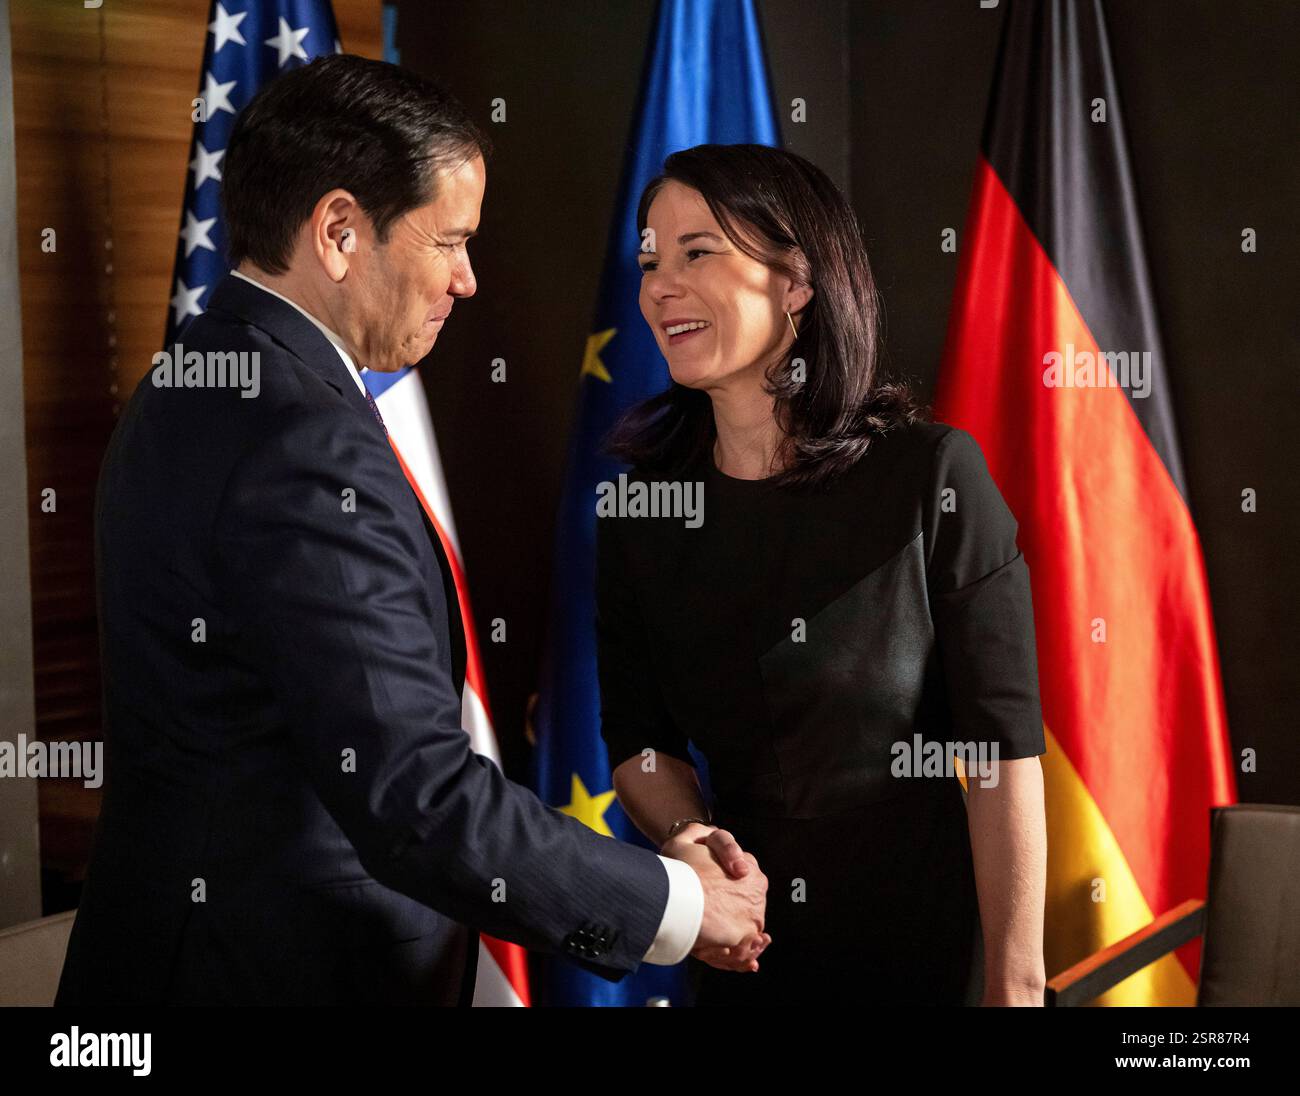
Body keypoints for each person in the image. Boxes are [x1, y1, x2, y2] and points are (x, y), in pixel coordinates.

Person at [55, 56, 768, 1007]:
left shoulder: (196, 379)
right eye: (451, 241)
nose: (469, 280)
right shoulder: (301, 438)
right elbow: (417, 797)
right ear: (341, 231)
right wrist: (679, 906)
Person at [598, 144, 1048, 1006]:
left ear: (797, 282)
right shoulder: (639, 512)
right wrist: (692, 840)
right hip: (745, 947)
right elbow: (640, 744)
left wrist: (1017, 985)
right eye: (651, 258)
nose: (660, 285)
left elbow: (999, 754)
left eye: (699, 252)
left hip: (927, 951)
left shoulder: (931, 474)